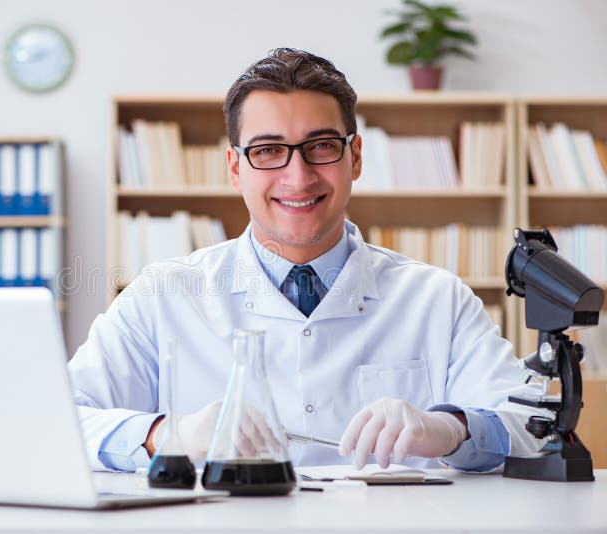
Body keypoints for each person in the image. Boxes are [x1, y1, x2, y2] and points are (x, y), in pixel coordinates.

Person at [69, 48, 541, 473]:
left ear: (355, 157)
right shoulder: (161, 295)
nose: (298, 177)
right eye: (268, 150)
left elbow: (531, 424)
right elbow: (60, 418)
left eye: (321, 146)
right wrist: (168, 436)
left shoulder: (437, 298)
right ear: (235, 168)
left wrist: (453, 428)